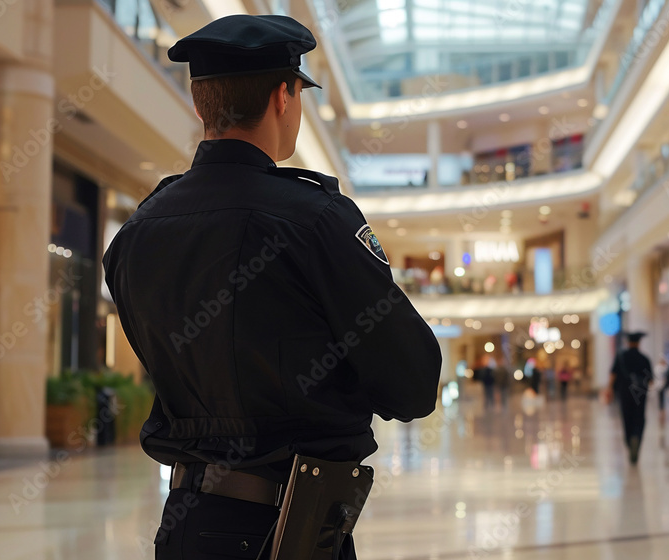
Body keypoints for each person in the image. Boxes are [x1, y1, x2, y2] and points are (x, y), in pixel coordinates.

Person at [102, 15, 442, 560]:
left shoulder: (137, 234)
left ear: (197, 103)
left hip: (184, 528)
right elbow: (413, 383)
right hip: (288, 532)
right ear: (284, 97)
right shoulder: (314, 219)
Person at [610, 332, 653, 465]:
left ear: (628, 342)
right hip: (640, 394)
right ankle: (636, 437)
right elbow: (650, 380)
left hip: (624, 393)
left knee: (627, 417)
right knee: (639, 418)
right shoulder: (644, 358)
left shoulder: (621, 357)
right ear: (639, 343)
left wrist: (609, 390)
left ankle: (629, 441)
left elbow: (613, 375)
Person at [656, 356, 669, 426]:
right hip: (660, 386)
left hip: (664, 387)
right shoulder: (658, 369)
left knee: (664, 399)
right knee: (661, 399)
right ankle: (661, 411)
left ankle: (664, 411)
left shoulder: (667, 369)